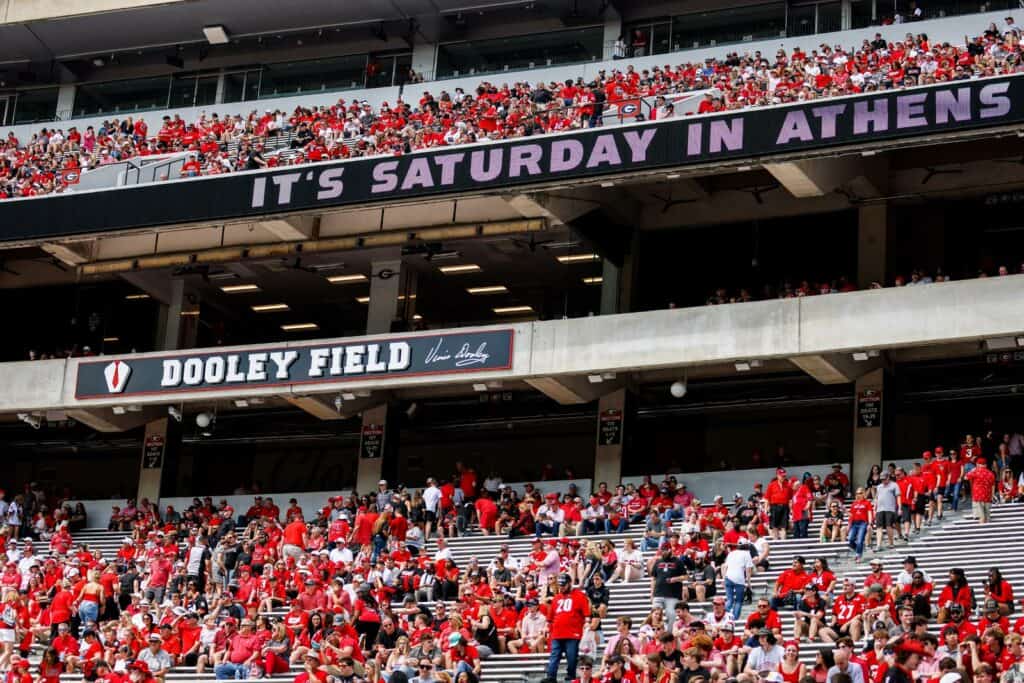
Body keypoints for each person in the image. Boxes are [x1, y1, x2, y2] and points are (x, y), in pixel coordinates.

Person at [546, 574, 590, 682]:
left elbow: (587, 614)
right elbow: (550, 617)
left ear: (569, 583)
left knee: (571, 657)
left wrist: (587, 624)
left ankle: (571, 677)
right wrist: (546, 627)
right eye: (560, 585)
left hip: (573, 633)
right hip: (557, 633)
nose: (561, 587)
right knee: (554, 657)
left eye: (563, 585)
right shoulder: (557, 598)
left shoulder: (579, 595)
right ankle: (551, 678)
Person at [650, 544, 689, 634]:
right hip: (658, 593)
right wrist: (651, 593)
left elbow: (686, 576)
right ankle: (656, 634)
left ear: (670, 550)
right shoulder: (658, 561)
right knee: (654, 615)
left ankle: (669, 634)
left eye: (666, 550)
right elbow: (653, 578)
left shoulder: (678, 561)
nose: (664, 552)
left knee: (671, 615)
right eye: (662, 550)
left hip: (672, 594)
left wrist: (675, 579)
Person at [721, 542, 753, 621]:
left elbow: (725, 567)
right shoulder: (747, 554)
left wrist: (724, 579)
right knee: (738, 601)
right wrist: (749, 583)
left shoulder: (731, 553)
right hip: (739, 578)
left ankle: (723, 615)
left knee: (730, 599)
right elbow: (748, 570)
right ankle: (734, 619)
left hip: (728, 577)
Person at [965, 458, 997, 523]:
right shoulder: (990, 473)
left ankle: (982, 525)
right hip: (987, 495)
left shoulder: (975, 471)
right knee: (987, 512)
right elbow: (993, 484)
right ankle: (988, 525)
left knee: (981, 514)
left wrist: (972, 470)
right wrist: (992, 494)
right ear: (985, 465)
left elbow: (966, 477)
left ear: (977, 464)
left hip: (978, 495)